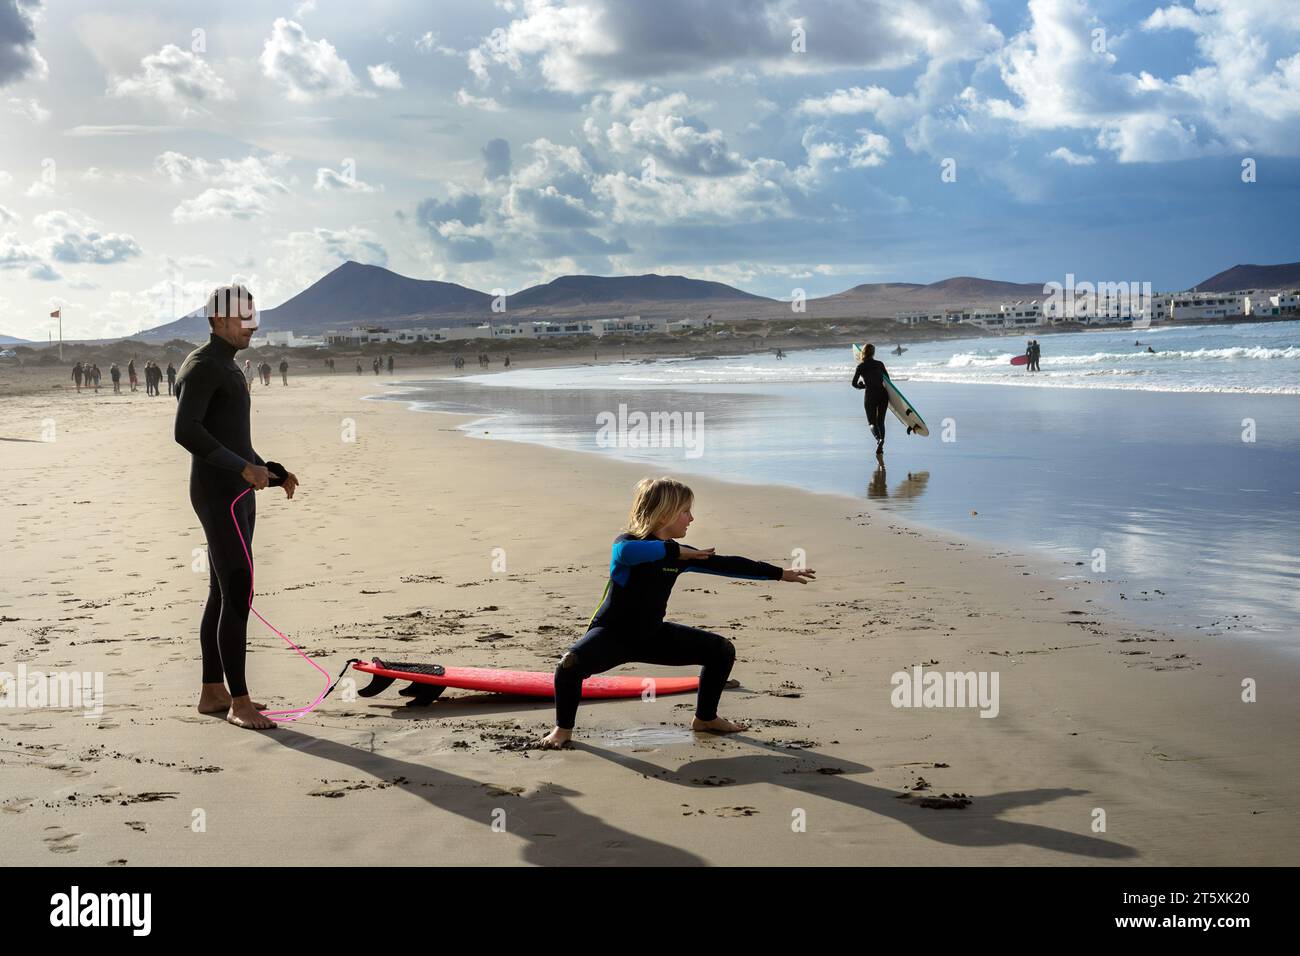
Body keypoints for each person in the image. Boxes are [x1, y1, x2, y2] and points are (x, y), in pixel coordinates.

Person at [539, 477, 814, 749]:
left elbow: (729, 565)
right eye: (685, 511)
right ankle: (562, 730)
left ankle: (705, 718)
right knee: (569, 665)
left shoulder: (681, 555)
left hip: (651, 635)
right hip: (612, 636)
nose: (691, 519)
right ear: (664, 514)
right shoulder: (628, 544)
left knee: (721, 651)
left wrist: (780, 574)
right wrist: (676, 551)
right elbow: (626, 552)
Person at [174, 284, 299, 731]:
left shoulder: (225, 365)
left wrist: (270, 471)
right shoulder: (203, 367)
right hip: (219, 494)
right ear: (218, 321)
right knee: (239, 590)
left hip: (236, 491)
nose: (253, 325)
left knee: (222, 592)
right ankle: (240, 704)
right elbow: (186, 431)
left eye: (254, 315)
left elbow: (231, 437)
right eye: (244, 317)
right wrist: (241, 470)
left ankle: (213, 691)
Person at [851, 343, 889, 456]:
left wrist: (862, 386)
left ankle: (879, 440)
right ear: (873, 353)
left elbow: (854, 384)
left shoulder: (861, 366)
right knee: (881, 421)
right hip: (883, 394)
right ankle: (882, 445)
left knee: (872, 422)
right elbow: (888, 381)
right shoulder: (880, 364)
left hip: (870, 395)